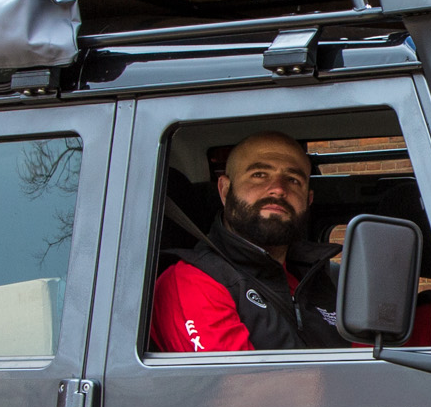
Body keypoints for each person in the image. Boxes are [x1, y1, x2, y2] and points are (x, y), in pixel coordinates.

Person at [148, 131, 351, 353]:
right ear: (225, 190)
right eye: (259, 175)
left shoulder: (320, 279)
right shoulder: (193, 282)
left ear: (308, 200)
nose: (278, 189)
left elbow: (368, 355)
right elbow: (237, 376)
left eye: (293, 180)